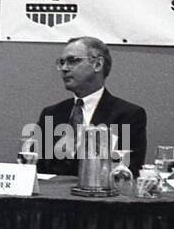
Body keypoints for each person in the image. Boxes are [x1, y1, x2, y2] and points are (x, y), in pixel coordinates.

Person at [32, 36, 147, 176]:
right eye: (61, 62)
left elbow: (128, 170)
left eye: (72, 61)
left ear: (97, 64)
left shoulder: (128, 115)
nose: (64, 68)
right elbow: (35, 168)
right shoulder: (51, 114)